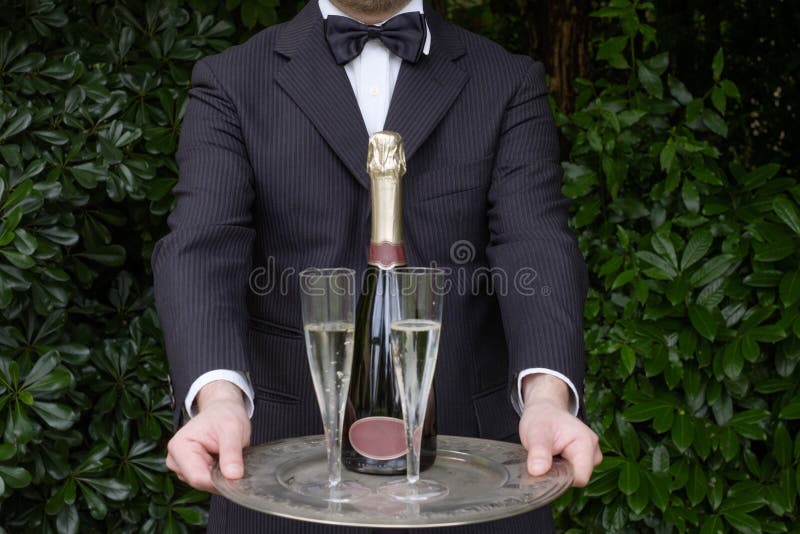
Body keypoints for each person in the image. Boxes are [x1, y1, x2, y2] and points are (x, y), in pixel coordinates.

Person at [152, 0, 602, 531]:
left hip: (472, 480)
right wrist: (217, 399)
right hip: (276, 477)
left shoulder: (505, 80)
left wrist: (548, 399)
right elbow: (202, 249)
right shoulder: (231, 80)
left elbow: (536, 243)